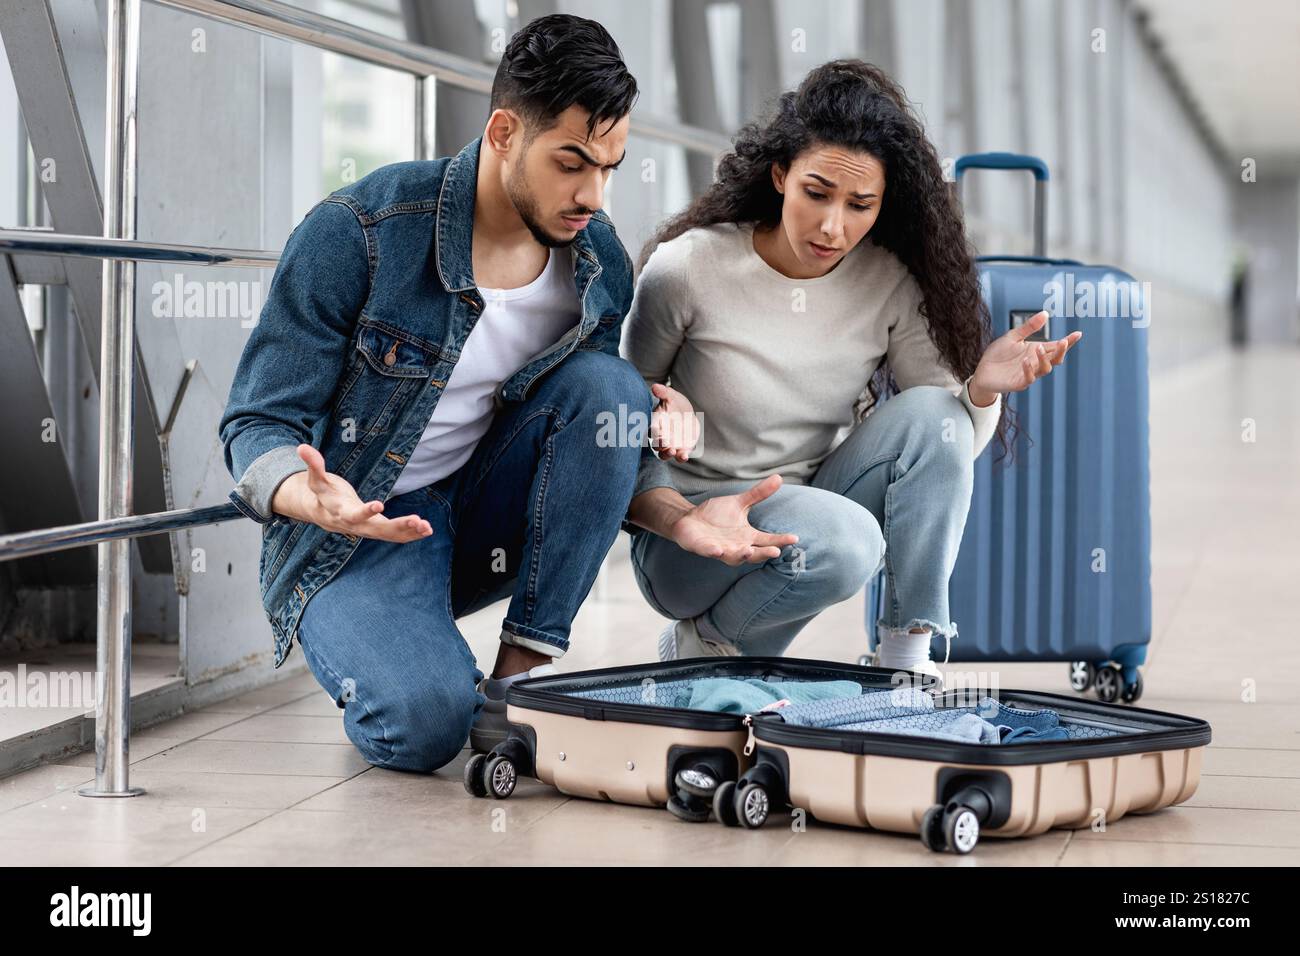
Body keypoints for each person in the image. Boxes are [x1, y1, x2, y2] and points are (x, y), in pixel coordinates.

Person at [219, 14, 652, 771]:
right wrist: (305, 494)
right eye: (572, 162)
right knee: (423, 728)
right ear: (504, 132)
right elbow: (256, 420)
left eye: (610, 166)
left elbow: (586, 422)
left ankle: (520, 685)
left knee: (616, 392)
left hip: (479, 513)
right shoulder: (359, 232)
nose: (592, 193)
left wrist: (661, 435)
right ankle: (415, 659)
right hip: (354, 531)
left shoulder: (598, 258)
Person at [621, 60, 1080, 689]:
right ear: (780, 174)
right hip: (687, 533)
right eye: (817, 193)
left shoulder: (886, 282)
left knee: (935, 414)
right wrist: (671, 492)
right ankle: (706, 648)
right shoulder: (687, 270)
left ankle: (905, 665)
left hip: (811, 506)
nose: (834, 226)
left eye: (859, 204)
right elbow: (614, 420)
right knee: (851, 541)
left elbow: (942, 453)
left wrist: (979, 391)